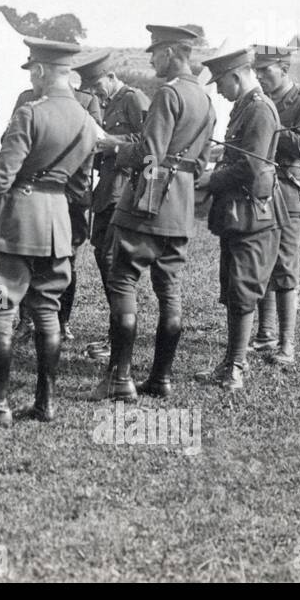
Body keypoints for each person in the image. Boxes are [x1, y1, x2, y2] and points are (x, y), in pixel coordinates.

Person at [0, 39, 98, 425]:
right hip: (57, 223)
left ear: (40, 71)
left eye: (32, 72)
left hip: (17, 222)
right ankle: (45, 404)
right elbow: (81, 185)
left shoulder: (30, 113)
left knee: (0, 309)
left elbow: (2, 177)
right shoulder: (86, 120)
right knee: (48, 311)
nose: (32, 79)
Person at [97, 24, 215, 401]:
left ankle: (120, 379)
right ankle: (160, 379)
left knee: (123, 280)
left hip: (148, 201)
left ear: (170, 54)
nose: (150, 59)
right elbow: (201, 163)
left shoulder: (168, 93)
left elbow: (150, 152)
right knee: (169, 290)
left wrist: (113, 149)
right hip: (180, 208)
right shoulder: (205, 98)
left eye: (154, 52)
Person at [195, 47, 285, 391]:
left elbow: (250, 166)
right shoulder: (244, 107)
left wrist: (209, 180)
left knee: (244, 289)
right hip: (239, 215)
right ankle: (230, 361)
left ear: (236, 76)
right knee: (234, 289)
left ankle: (235, 367)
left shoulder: (260, 110)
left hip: (254, 216)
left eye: (221, 82)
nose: (218, 90)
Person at [11, 52, 103, 347]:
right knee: (24, 260)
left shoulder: (87, 102)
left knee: (64, 262)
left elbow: (93, 149)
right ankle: (25, 320)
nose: (30, 81)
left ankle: (61, 322)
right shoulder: (26, 98)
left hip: (70, 197)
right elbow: (9, 139)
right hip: (31, 196)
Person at [249, 44, 300, 367]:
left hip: (290, 195)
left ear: (285, 70)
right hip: (259, 191)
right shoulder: (256, 103)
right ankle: (265, 336)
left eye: (267, 70)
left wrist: (271, 125)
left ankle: (287, 345)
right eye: (258, 71)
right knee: (261, 265)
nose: (261, 76)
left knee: (285, 269)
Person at [77, 49, 149, 360]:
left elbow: (150, 143)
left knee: (113, 262)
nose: (94, 94)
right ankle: (114, 333)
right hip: (106, 191)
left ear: (111, 77)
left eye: (97, 86)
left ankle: (118, 336)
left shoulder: (134, 99)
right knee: (103, 257)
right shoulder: (108, 102)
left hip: (124, 191)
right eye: (89, 89)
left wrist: (112, 144)